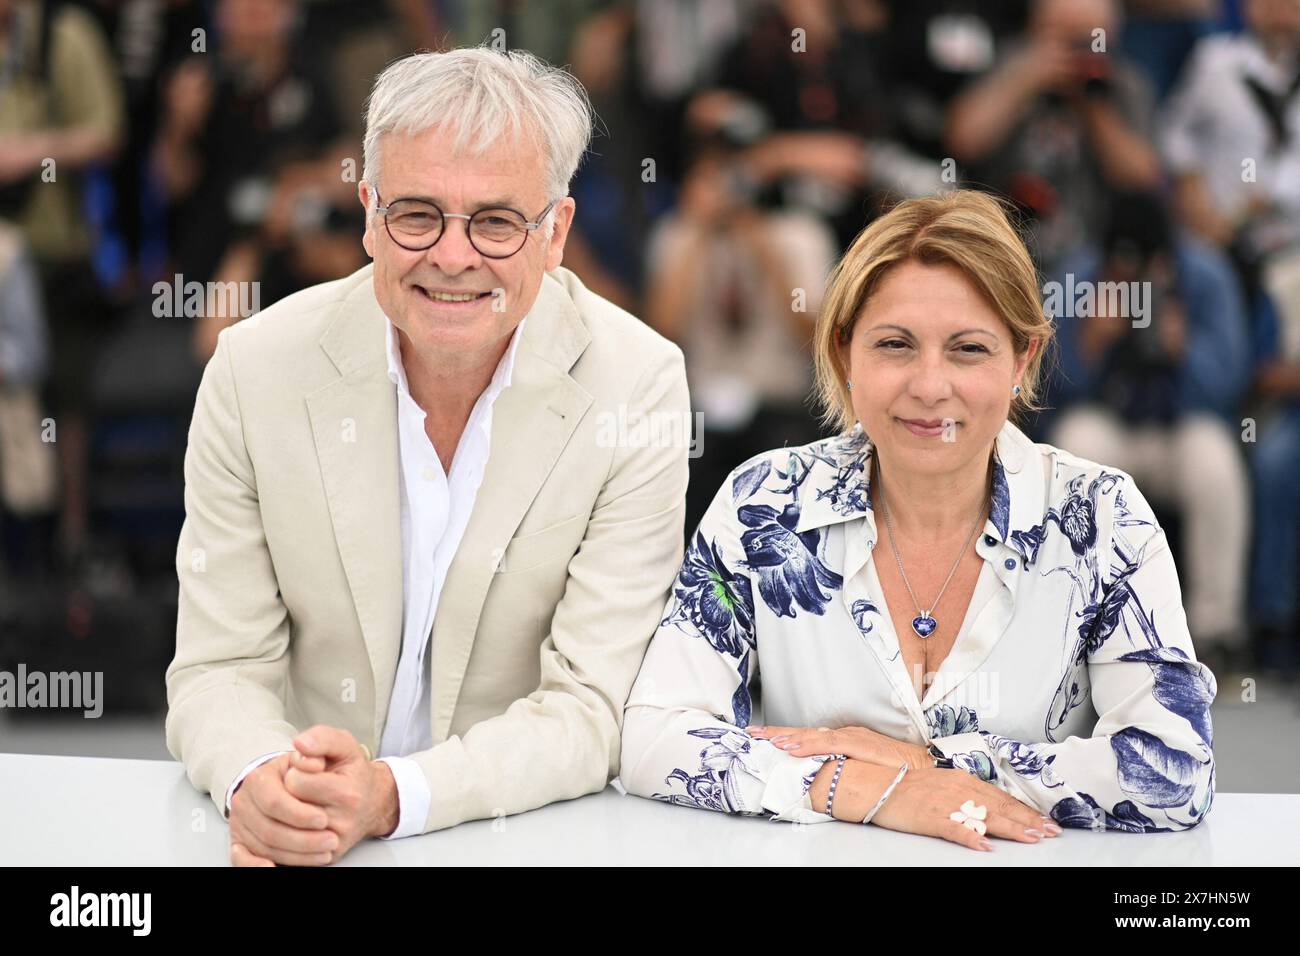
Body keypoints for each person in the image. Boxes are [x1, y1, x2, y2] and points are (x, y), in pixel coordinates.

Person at [166, 46, 691, 866]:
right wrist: (265, 779)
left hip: (514, 842)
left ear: (556, 232)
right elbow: (219, 668)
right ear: (370, 214)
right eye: (417, 214)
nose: (452, 256)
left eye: (495, 221)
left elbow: (591, 707)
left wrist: (391, 796)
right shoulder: (253, 368)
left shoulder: (638, 385)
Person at [619, 190, 1216, 849]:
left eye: (968, 349)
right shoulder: (763, 502)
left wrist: (932, 766)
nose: (931, 387)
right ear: (846, 354)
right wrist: (865, 787)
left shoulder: (1103, 516)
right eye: (896, 344)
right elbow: (654, 734)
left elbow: (1176, 770)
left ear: (1022, 359)